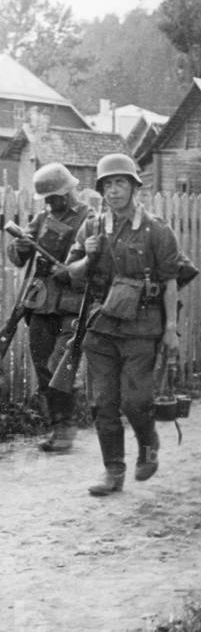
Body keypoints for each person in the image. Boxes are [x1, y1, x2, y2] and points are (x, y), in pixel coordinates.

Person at [65, 153, 187, 496]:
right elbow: (71, 273)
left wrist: (170, 329)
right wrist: (88, 257)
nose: (113, 191)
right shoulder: (91, 227)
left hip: (142, 326)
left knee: (135, 401)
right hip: (101, 326)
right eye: (107, 184)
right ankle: (113, 470)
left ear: (135, 188)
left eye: (120, 183)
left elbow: (170, 281)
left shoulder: (157, 230)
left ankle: (149, 446)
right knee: (102, 402)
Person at [6, 163, 90, 452]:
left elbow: (98, 263)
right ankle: (58, 427)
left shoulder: (89, 219)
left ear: (67, 192)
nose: (51, 203)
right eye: (47, 199)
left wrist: (70, 271)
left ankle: (67, 426)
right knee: (43, 367)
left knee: (60, 367)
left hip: (73, 305)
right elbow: (18, 257)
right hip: (41, 304)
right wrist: (22, 246)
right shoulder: (43, 218)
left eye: (54, 198)